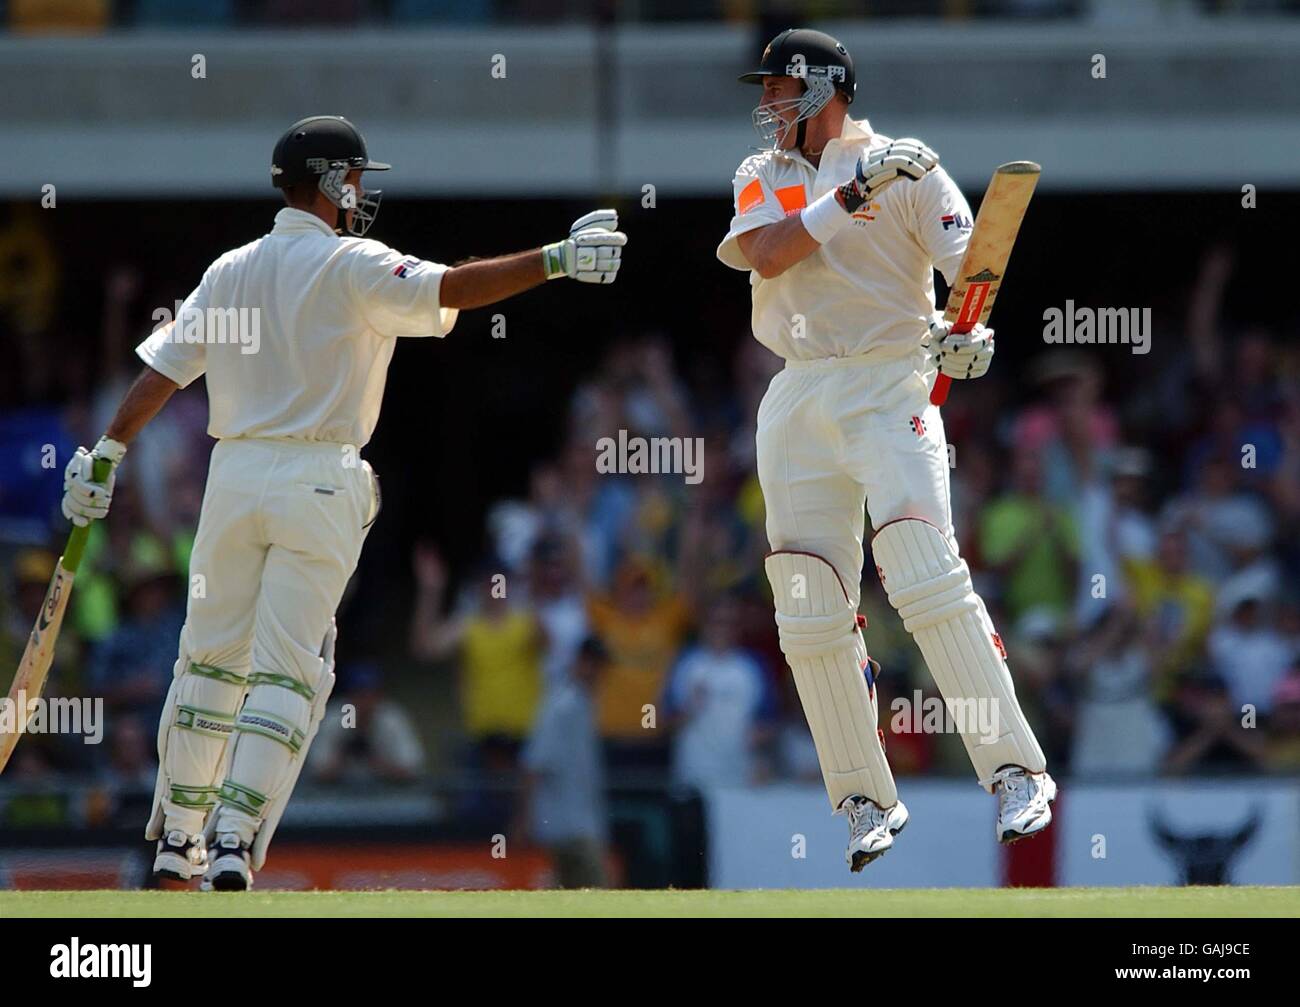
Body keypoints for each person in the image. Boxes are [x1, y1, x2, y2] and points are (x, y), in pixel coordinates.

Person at [58, 114, 628, 890]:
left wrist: (107, 454)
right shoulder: (352, 263)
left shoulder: (230, 269)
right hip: (319, 477)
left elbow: (160, 373)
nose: (362, 194)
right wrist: (557, 257)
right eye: (356, 179)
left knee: (208, 660)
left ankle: (174, 840)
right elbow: (452, 288)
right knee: (288, 668)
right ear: (330, 182)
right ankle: (231, 840)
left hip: (233, 478)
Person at [717, 29, 1054, 872]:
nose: (766, 105)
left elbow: (968, 272)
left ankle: (1014, 771)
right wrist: (849, 191)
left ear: (827, 88)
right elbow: (766, 252)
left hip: (889, 384)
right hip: (797, 391)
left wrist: (964, 337)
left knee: (923, 570)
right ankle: (862, 795)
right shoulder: (761, 175)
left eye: (780, 90)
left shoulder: (912, 167)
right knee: (804, 599)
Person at [520, 638, 611, 889]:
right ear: (581, 662)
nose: (599, 673)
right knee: (600, 897)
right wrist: (525, 819)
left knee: (570, 897)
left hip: (580, 822)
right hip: (566, 824)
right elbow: (533, 764)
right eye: (594, 665)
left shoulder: (582, 702)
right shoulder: (560, 704)